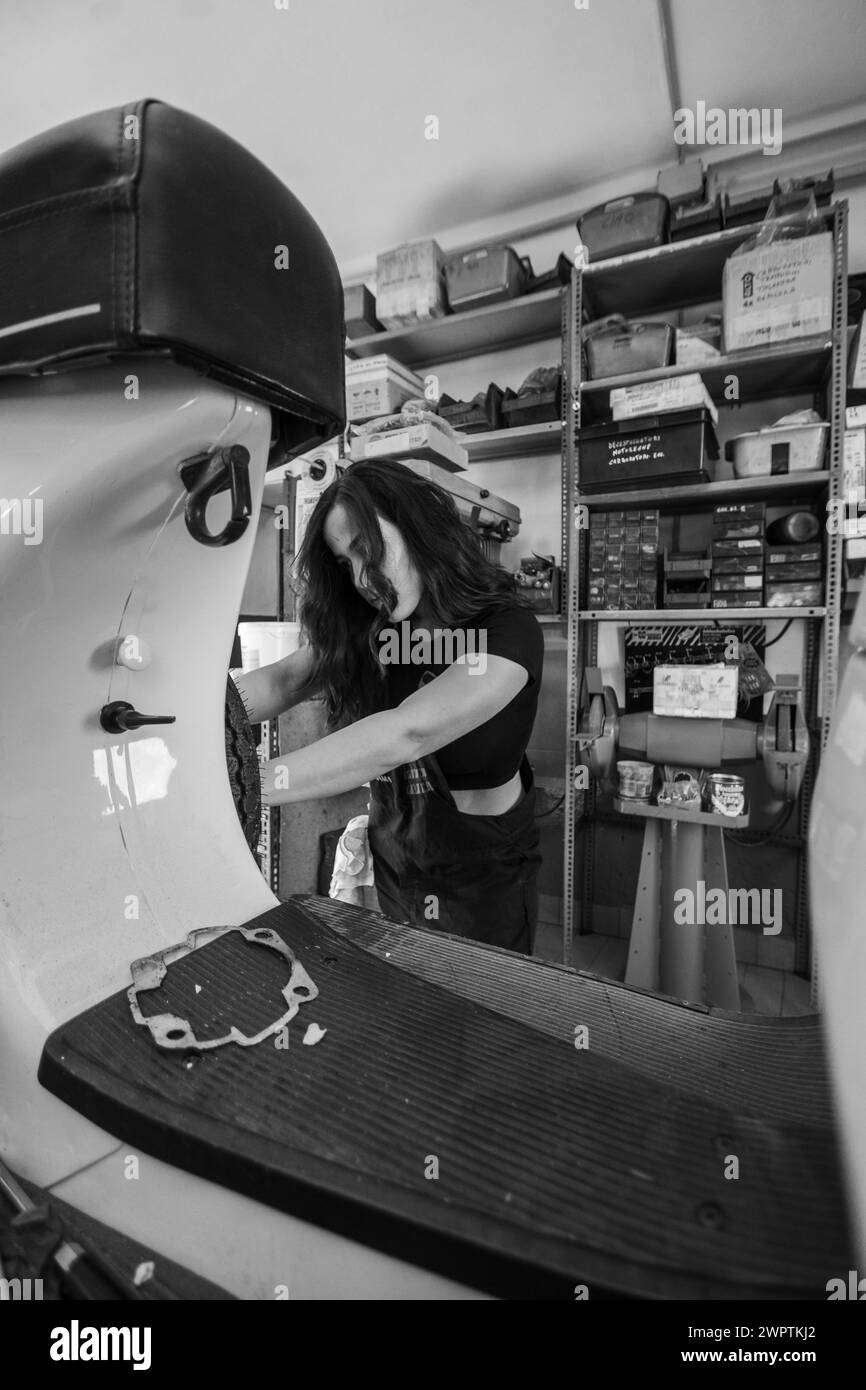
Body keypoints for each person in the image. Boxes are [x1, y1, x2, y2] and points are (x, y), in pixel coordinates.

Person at [234, 457, 544, 954]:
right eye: (345, 563)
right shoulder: (372, 629)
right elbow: (288, 678)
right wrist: (202, 717)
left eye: (367, 550)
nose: (361, 578)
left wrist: (244, 783)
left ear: (418, 530)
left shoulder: (506, 630)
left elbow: (407, 732)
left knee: (474, 1000)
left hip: (482, 874)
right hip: (397, 856)